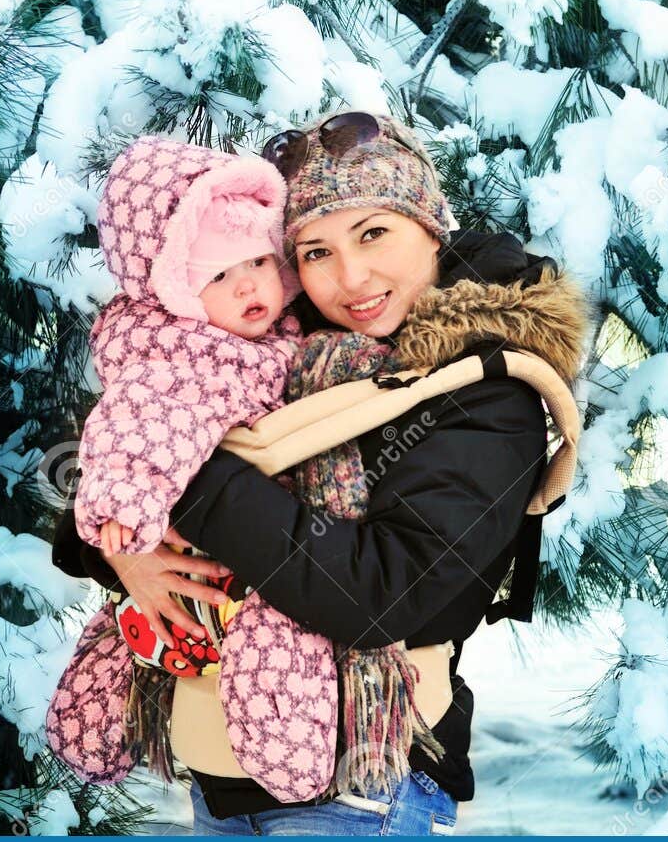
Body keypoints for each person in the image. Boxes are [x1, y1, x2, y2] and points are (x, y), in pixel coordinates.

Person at [53, 110, 590, 835]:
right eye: (314, 251)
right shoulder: (281, 348)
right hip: (224, 776)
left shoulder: (487, 384)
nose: (351, 276)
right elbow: (106, 479)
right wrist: (126, 546)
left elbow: (378, 592)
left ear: (430, 224)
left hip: (361, 791)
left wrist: (190, 482)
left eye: (374, 233)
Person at [48, 134, 405, 803]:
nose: (248, 284)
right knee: (157, 625)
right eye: (216, 274)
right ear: (173, 288)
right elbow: (138, 427)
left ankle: (289, 755)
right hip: (218, 565)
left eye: (257, 261)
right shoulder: (180, 354)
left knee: (273, 625)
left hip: (277, 569)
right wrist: (126, 519)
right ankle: (94, 729)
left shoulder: (293, 338)